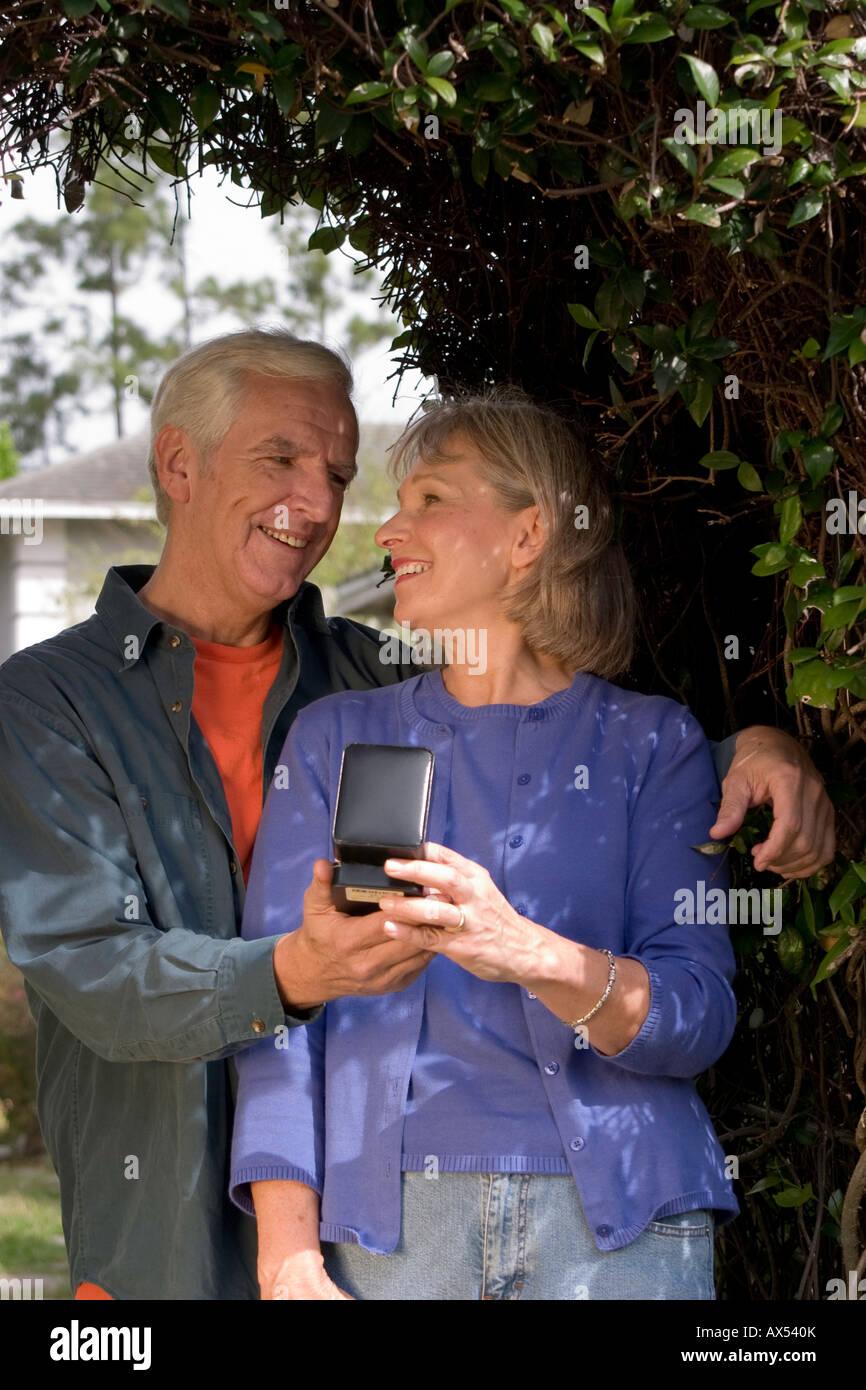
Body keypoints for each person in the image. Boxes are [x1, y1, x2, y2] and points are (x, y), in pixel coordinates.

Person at [0, 331, 834, 1301]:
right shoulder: (53, 701)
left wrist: (751, 750)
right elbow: (93, 964)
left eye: (341, 474)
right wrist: (293, 980)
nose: (325, 506)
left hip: (560, 1220)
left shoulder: (367, 678)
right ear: (179, 464)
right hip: (176, 1228)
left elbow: (545, 731)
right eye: (282, 460)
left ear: (530, 535)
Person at [229, 388, 830, 1301]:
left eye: (431, 498)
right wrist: (287, 1255)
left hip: (622, 1231)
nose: (390, 528)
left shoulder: (652, 746)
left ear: (528, 534)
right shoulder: (336, 739)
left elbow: (697, 1015)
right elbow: (275, 1013)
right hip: (387, 1240)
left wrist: (528, 952)